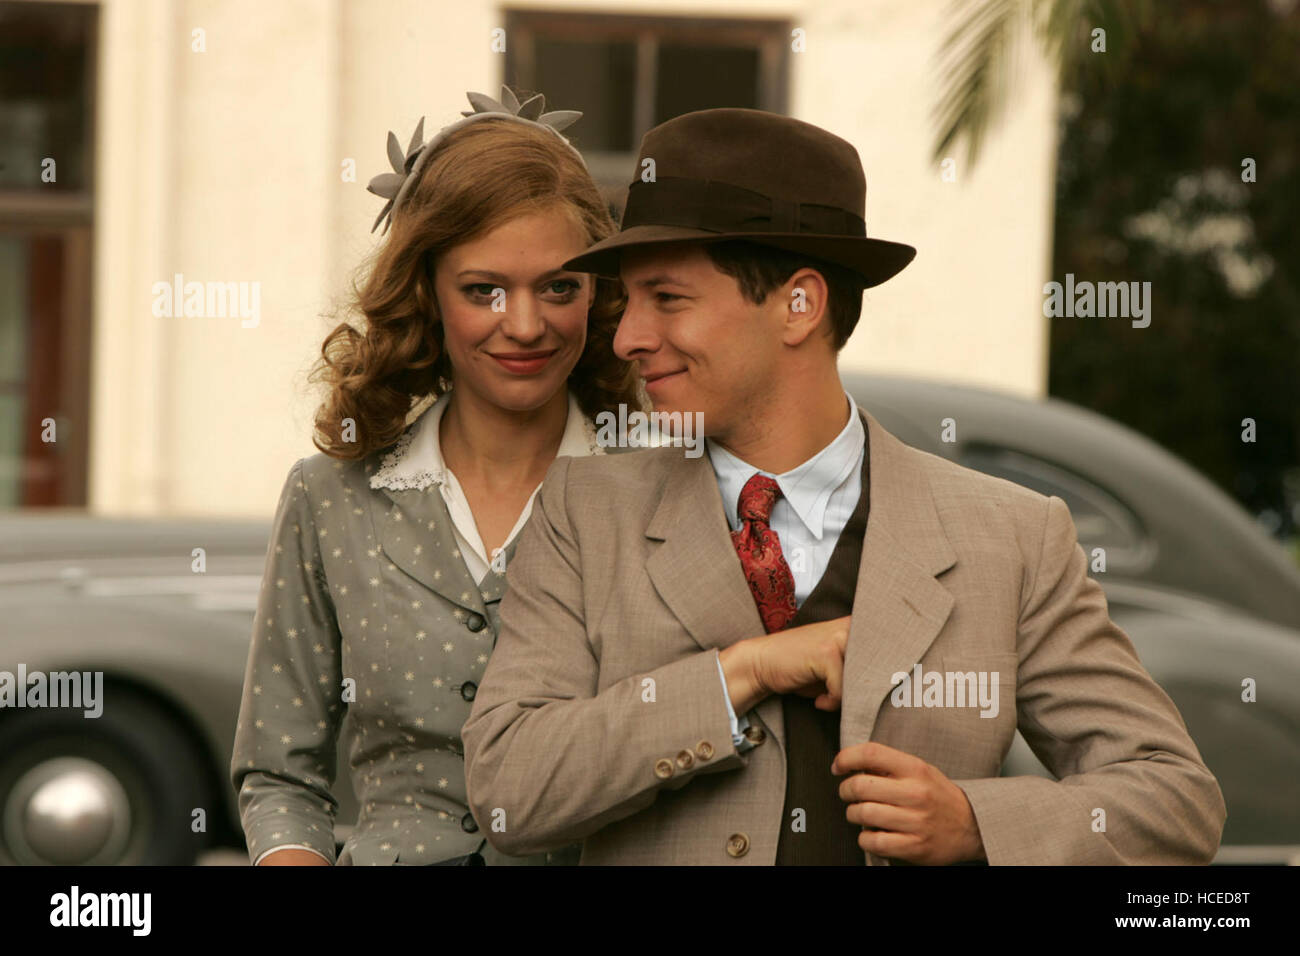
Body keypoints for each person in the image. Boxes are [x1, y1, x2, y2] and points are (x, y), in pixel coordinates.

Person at [461, 107, 1227, 865]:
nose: (627, 337)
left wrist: (976, 822)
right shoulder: (585, 512)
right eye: (629, 303)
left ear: (800, 305)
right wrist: (740, 675)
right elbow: (509, 789)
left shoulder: (1013, 537)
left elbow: (1174, 800)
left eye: (668, 298)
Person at [230, 88, 639, 865]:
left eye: (560, 287)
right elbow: (279, 776)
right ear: (426, 291)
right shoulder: (329, 496)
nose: (526, 325)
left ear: (597, 290)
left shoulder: (661, 487)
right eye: (484, 289)